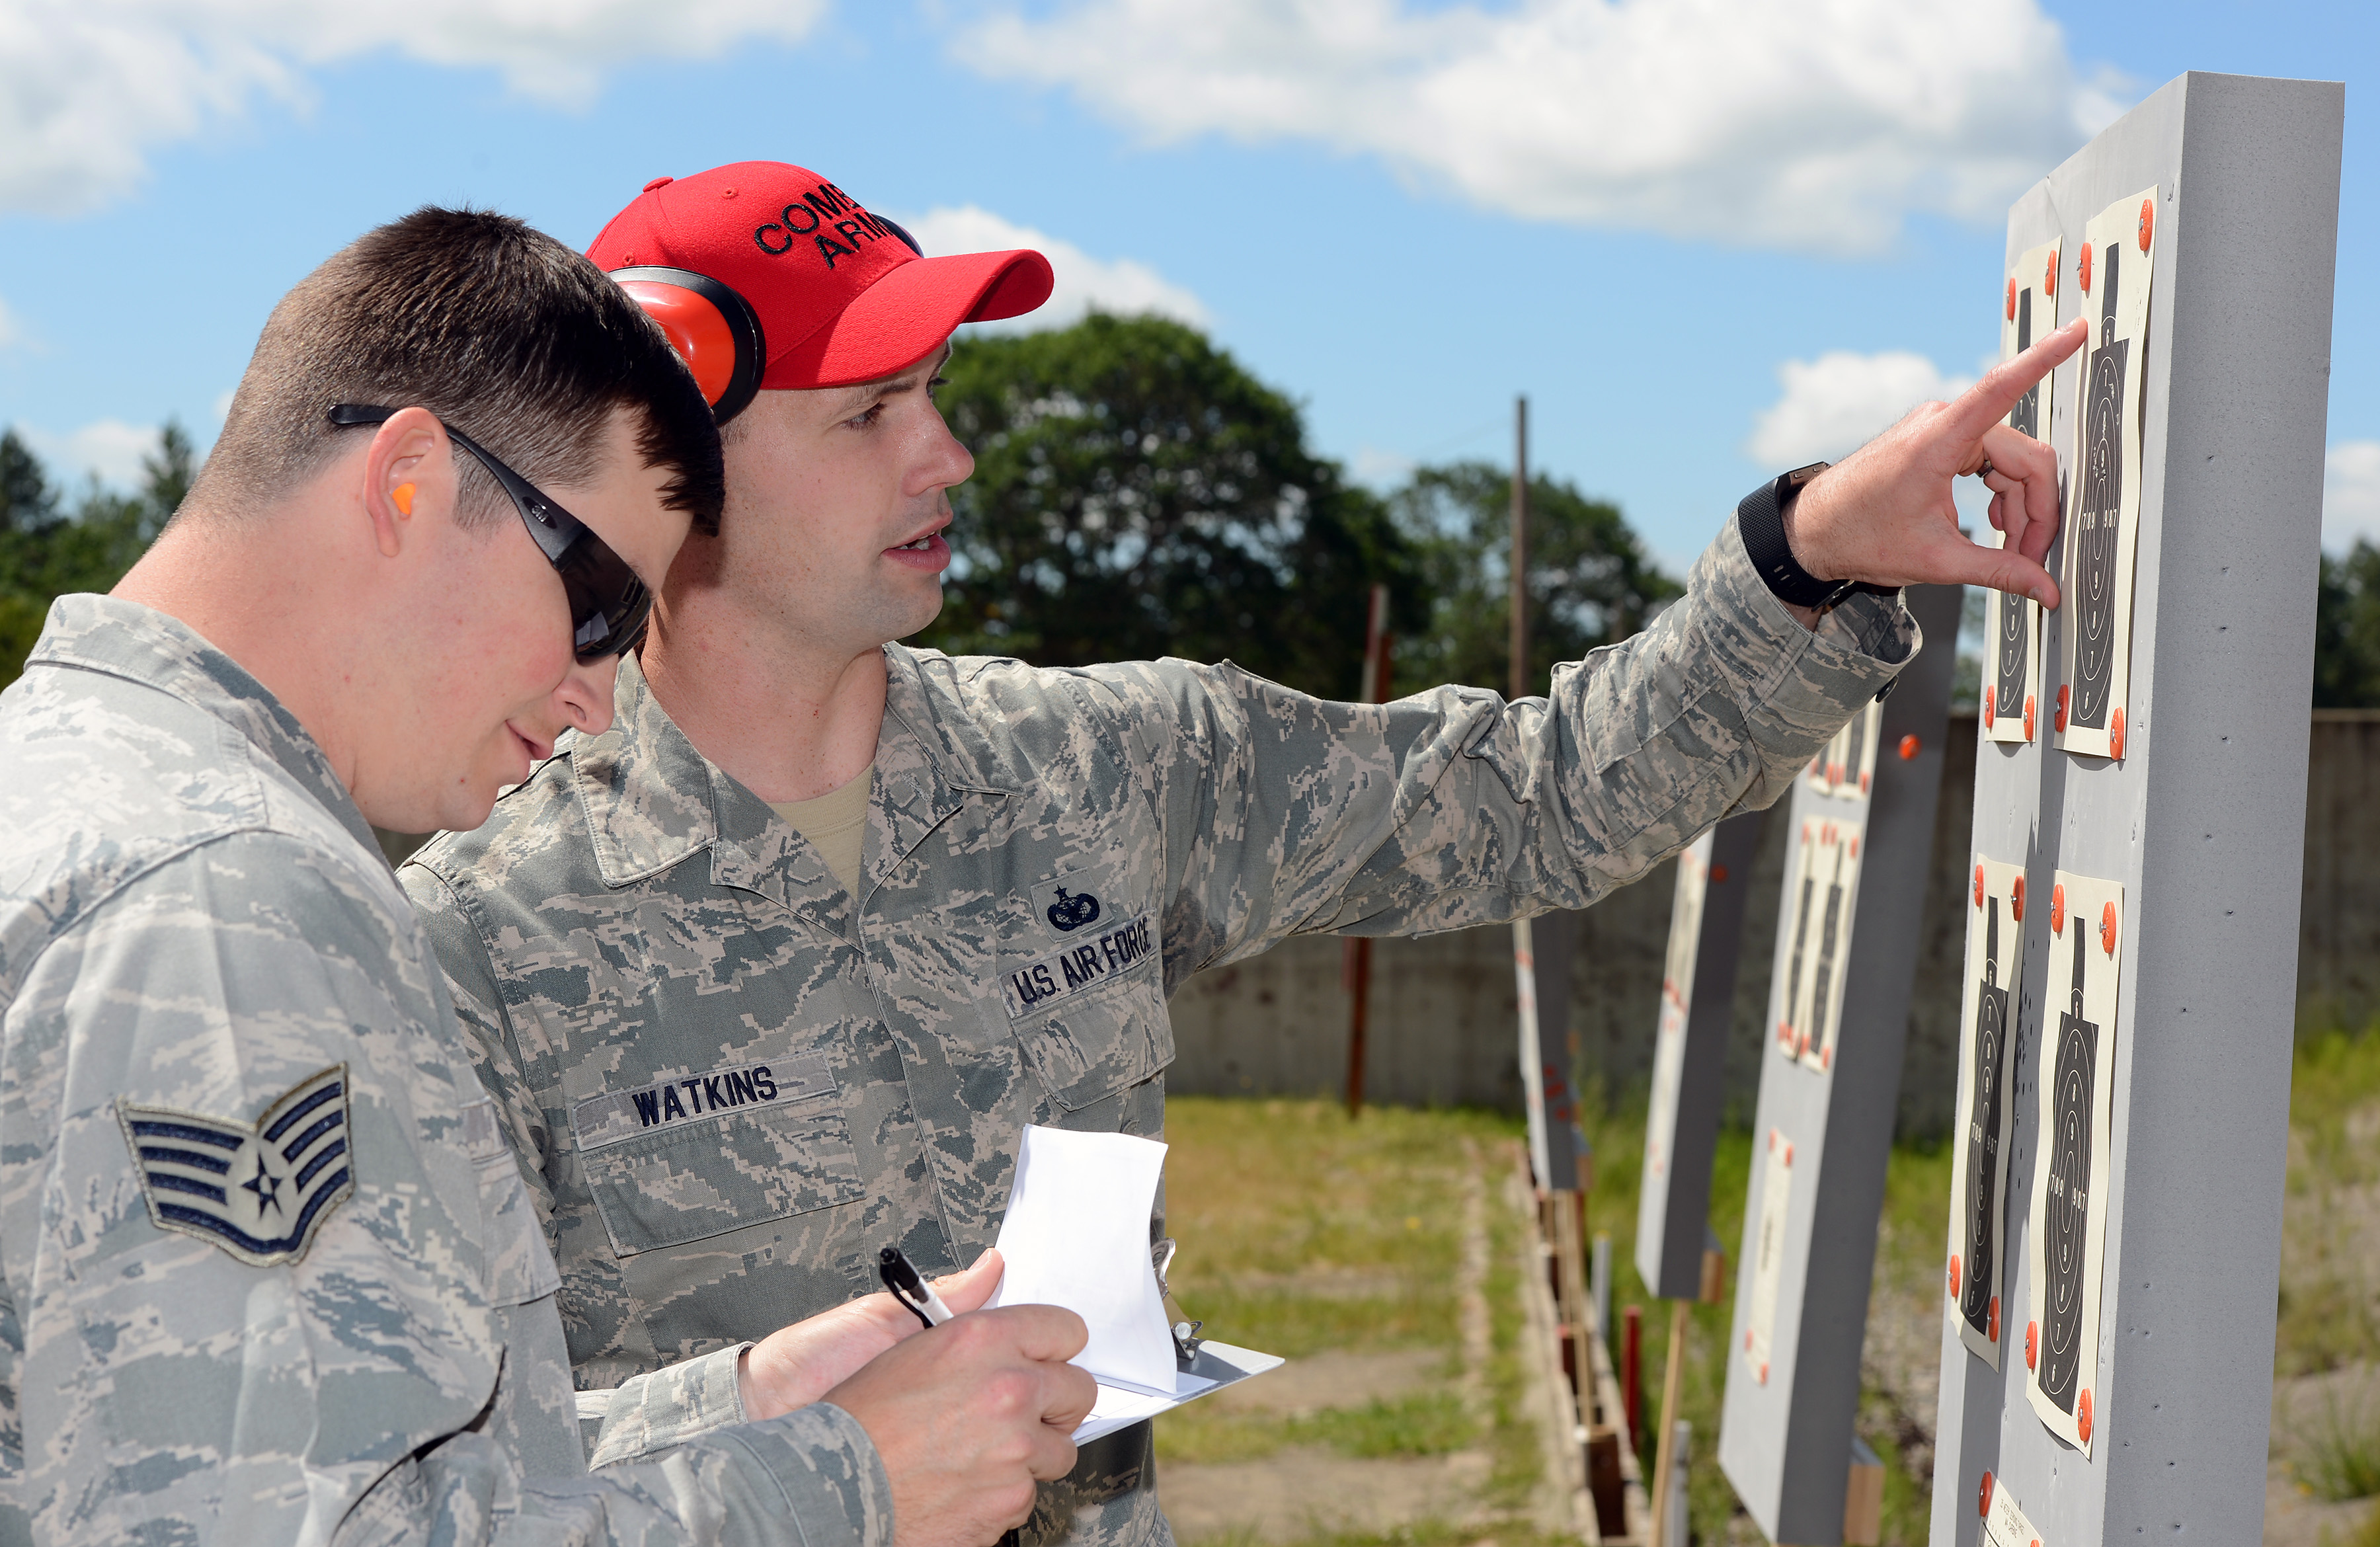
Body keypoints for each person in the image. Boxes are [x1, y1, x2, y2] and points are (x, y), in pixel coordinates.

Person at [399, 161, 2085, 1547]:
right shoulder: (469, 940)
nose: (953, 455)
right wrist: (795, 1430)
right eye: (871, 416)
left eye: (940, 396)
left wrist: (1804, 557)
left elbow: (1549, 793)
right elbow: (416, 1484)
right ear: (665, 467)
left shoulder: (1106, 767)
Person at [0, 206, 1094, 1546]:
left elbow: (340, 1469)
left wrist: (747, 1411)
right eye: (596, 604)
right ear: (407, 480)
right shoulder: (224, 904)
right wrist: (848, 1486)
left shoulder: (71, 789)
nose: (595, 697)